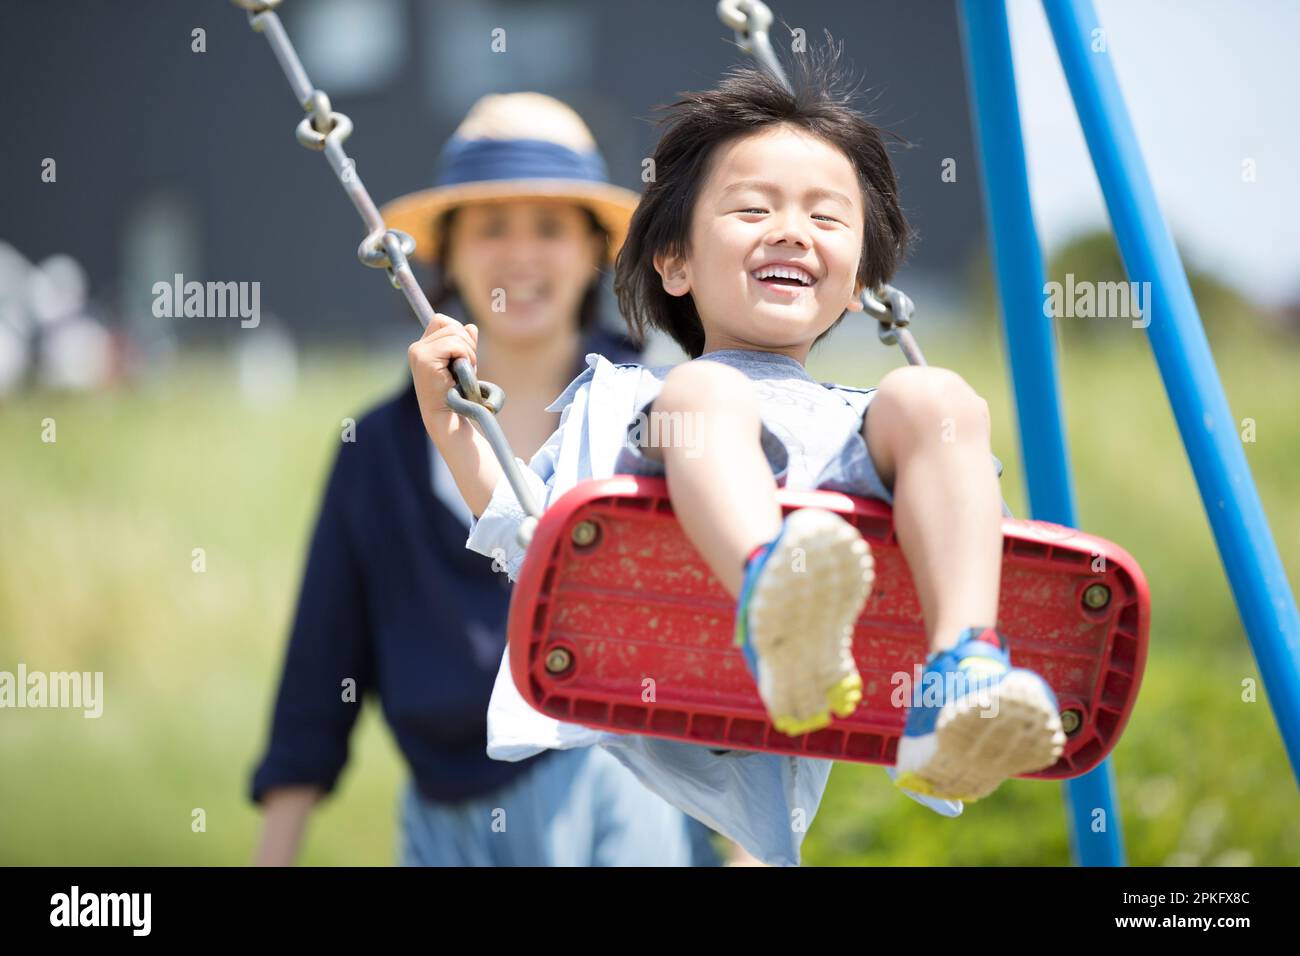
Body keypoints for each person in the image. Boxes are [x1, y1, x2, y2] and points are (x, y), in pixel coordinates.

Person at [407, 47, 1067, 866]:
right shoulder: (637, 396)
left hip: (851, 593)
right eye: (752, 210)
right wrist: (456, 428)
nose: (792, 229)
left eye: (828, 219)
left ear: (859, 275)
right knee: (703, 394)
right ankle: (777, 595)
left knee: (942, 402)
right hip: (684, 610)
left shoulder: (869, 416)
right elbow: (533, 537)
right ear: (675, 260)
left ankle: (961, 668)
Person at [252, 91, 722, 867]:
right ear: (450, 252)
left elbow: (725, 636)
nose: (521, 256)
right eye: (492, 227)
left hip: (626, 791)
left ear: (594, 250)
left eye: (548, 227)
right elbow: (317, 679)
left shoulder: (662, 412)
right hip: (448, 823)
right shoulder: (380, 450)